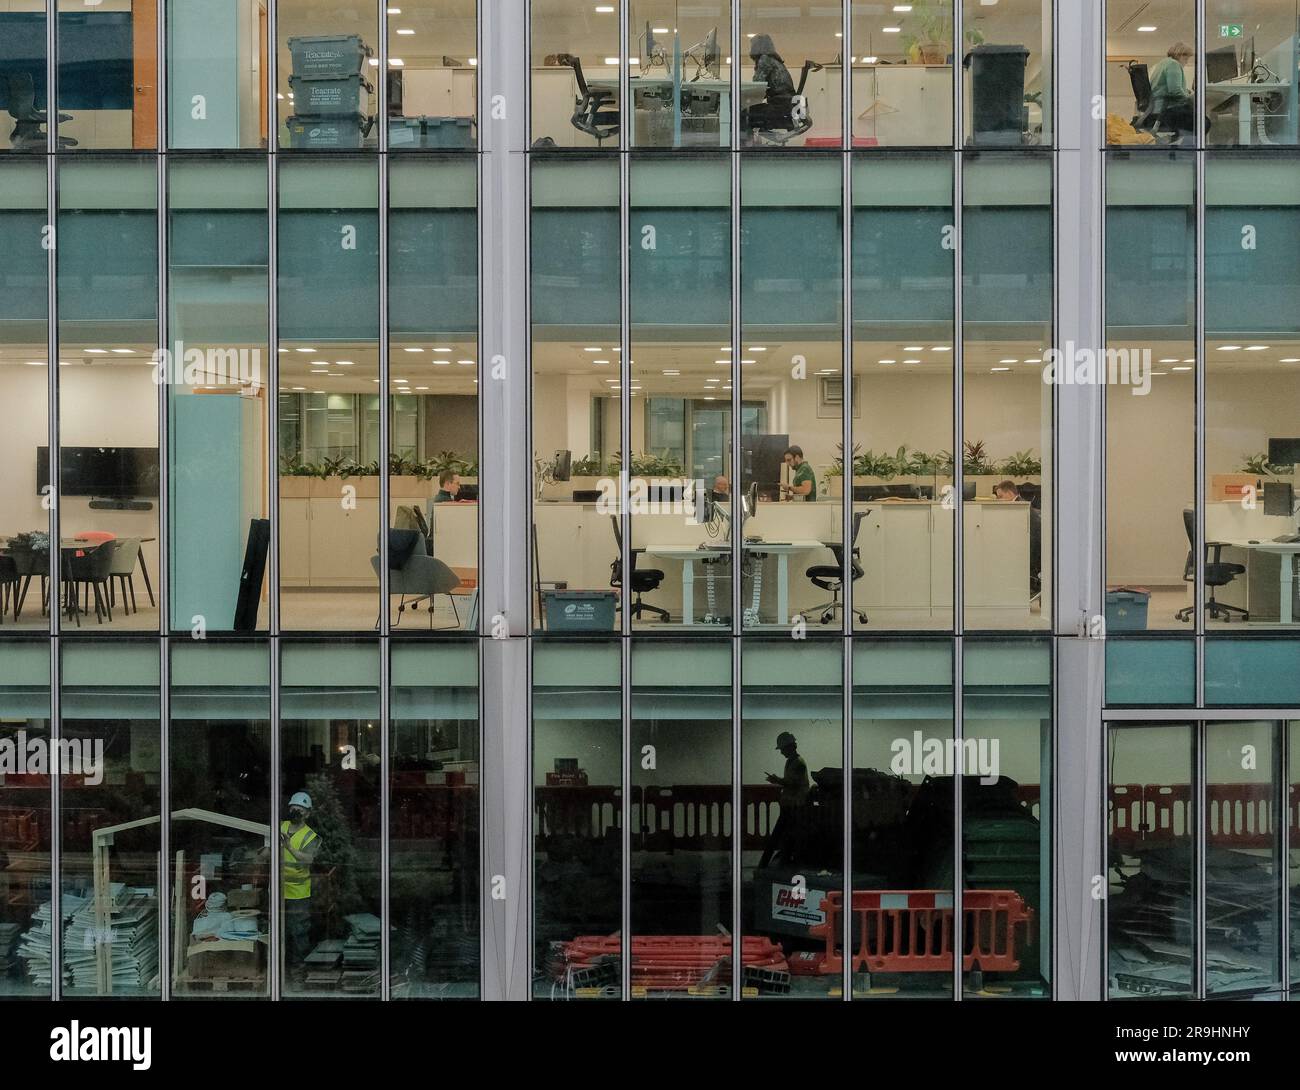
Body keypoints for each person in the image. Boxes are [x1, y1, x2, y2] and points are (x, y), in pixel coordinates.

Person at [281, 791, 322, 974]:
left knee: (299, 934)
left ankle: (298, 972)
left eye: (300, 809)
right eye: (293, 807)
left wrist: (289, 847)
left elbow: (308, 860)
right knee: (278, 931)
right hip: (277, 891)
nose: (296, 810)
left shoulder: (310, 836)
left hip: (298, 893)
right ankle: (278, 970)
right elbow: (265, 853)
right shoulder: (279, 827)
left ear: (307, 813)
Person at [758, 731, 810, 869]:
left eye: (782, 749)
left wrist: (777, 780)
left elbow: (793, 784)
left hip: (795, 807)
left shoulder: (798, 763)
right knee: (787, 836)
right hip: (791, 806)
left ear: (790, 747)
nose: (781, 752)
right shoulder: (792, 761)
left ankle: (787, 864)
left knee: (788, 836)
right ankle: (786, 863)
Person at [1149, 42, 1195, 136]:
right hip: (1166, 110)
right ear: (1180, 55)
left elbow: (1167, 87)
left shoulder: (1164, 62)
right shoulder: (1173, 64)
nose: (1186, 62)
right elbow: (1175, 91)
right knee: (1204, 122)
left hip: (1157, 108)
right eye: (1186, 58)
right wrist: (1190, 98)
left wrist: (1186, 91)